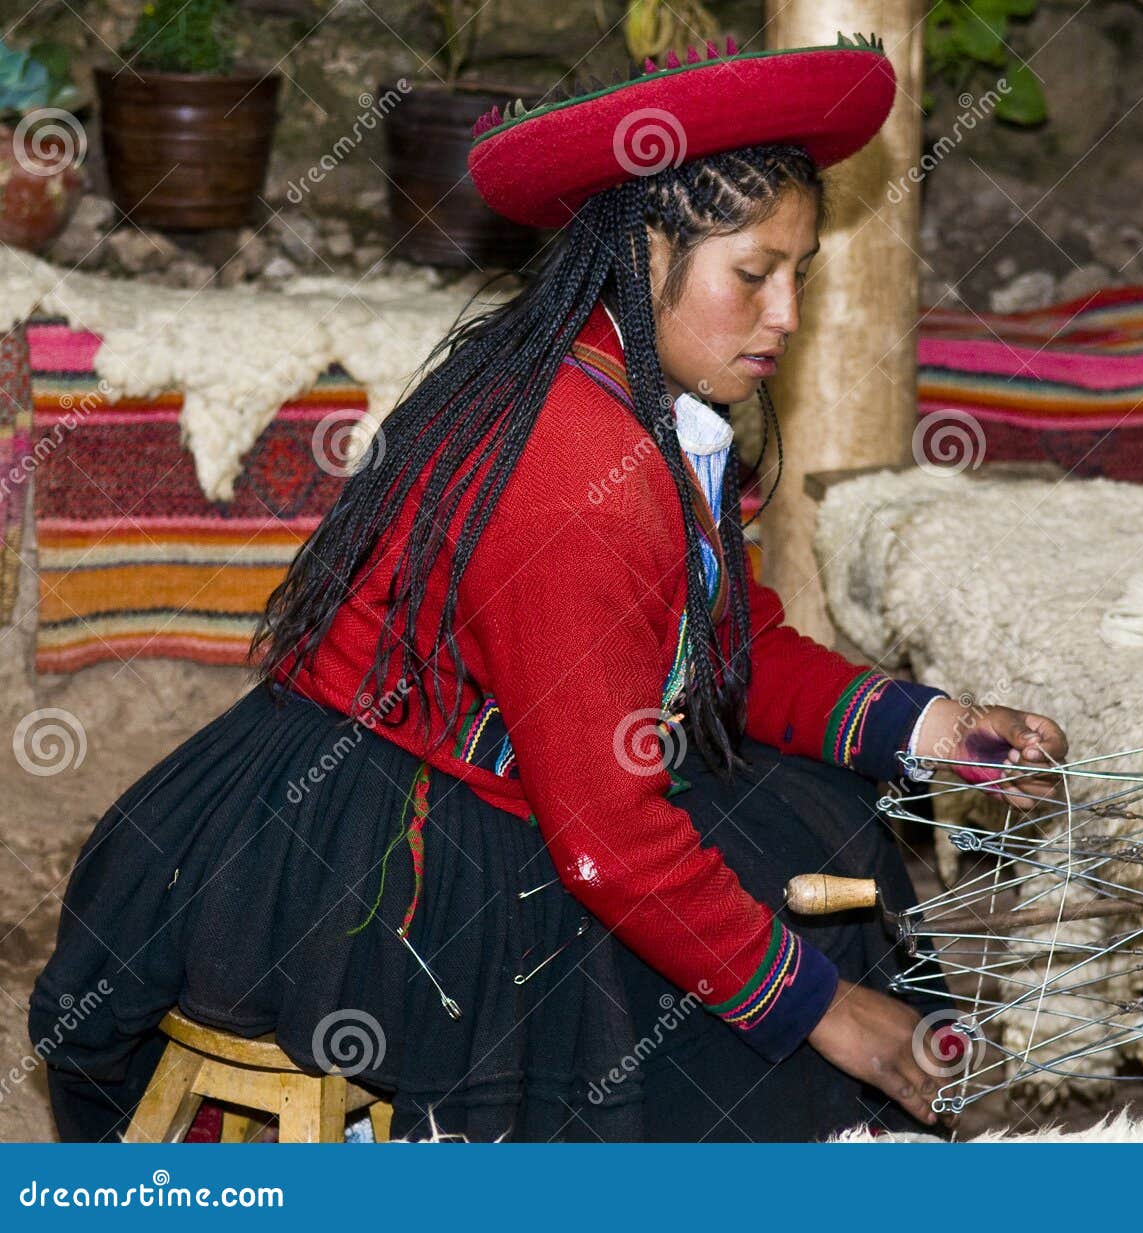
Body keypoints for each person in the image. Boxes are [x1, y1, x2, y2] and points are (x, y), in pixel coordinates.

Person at [30, 34, 1068, 1143]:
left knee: (825, 828)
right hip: (362, 859)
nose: (785, 319)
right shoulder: (575, 471)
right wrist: (827, 1014)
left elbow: (725, 647)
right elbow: (607, 841)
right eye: (753, 276)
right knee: (705, 1021)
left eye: (798, 278)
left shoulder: (629, 397)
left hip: (510, 773)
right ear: (642, 248)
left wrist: (927, 725)